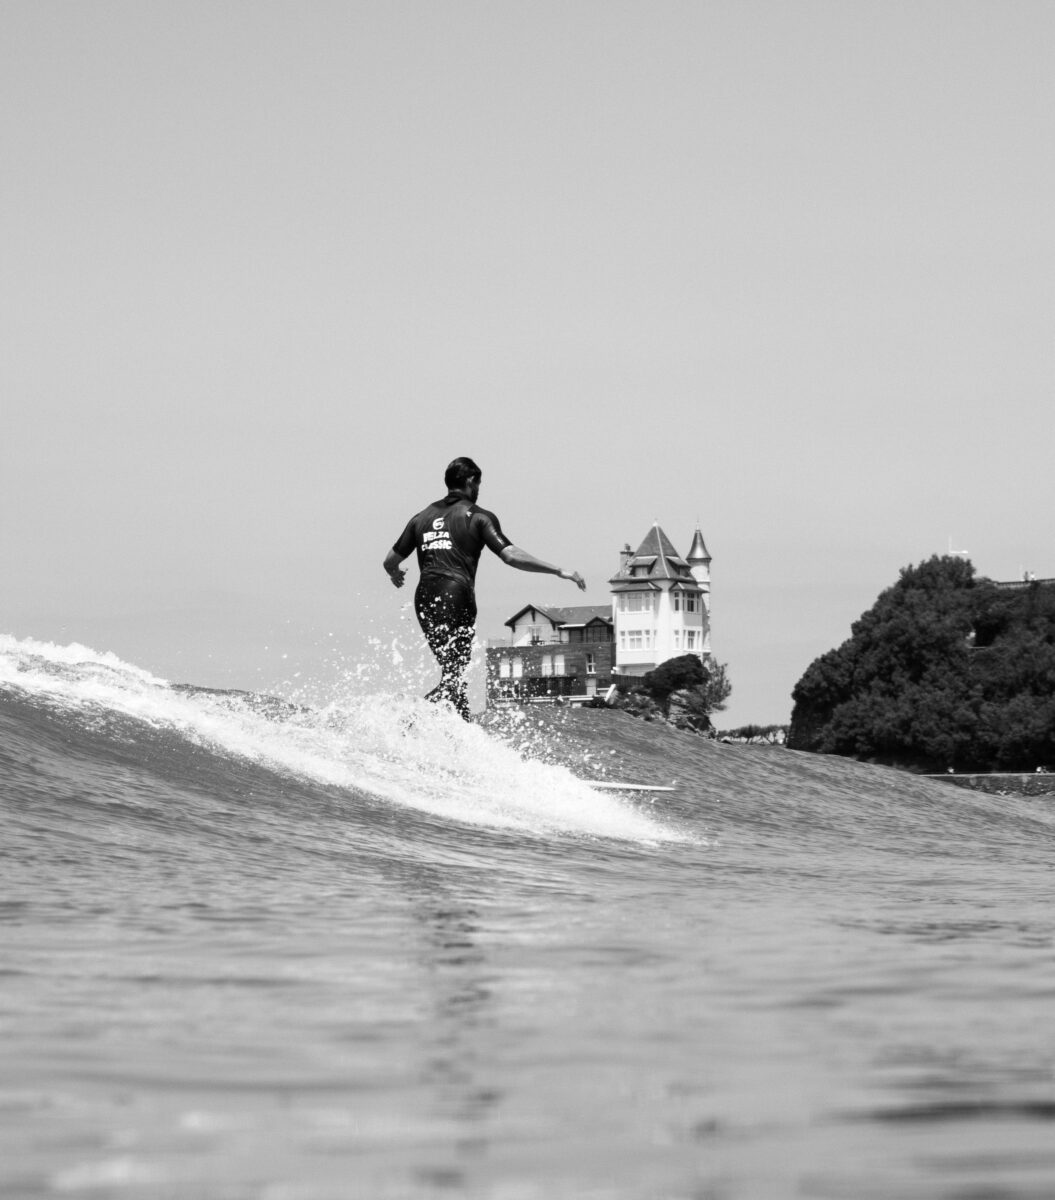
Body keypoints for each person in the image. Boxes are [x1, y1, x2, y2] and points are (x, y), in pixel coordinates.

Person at [383, 456, 586, 721]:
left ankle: (458, 729)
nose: (479, 489)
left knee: (452, 672)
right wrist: (558, 570)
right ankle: (412, 719)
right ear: (470, 481)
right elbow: (511, 555)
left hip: (424, 599)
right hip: (456, 594)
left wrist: (395, 574)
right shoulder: (478, 516)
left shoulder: (420, 518)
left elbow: (390, 561)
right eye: (478, 483)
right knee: (455, 673)